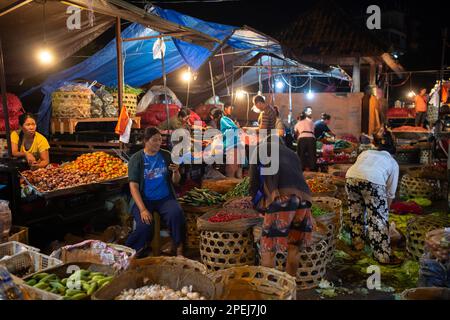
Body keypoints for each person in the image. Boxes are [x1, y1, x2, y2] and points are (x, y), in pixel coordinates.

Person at [249, 135, 314, 277]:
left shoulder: (261, 149)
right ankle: (290, 286)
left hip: (282, 198)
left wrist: (258, 206)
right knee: (294, 246)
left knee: (268, 248)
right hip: (304, 198)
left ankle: (270, 290)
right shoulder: (292, 154)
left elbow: (254, 182)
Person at [125, 127, 186, 257]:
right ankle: (128, 252)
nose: (158, 143)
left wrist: (176, 172)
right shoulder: (136, 159)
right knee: (144, 226)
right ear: (145, 141)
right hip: (144, 200)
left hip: (164, 198)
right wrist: (142, 209)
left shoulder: (166, 155)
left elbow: (176, 182)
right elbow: (134, 187)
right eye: (154, 140)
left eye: (160, 140)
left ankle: (178, 247)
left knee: (176, 213)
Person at [345, 126, 401, 264]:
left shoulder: (365, 153)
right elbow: (390, 193)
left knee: (356, 213)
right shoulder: (393, 163)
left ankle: (357, 245)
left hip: (350, 178)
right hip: (373, 181)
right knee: (378, 220)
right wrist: (384, 211)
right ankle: (383, 256)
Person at [215, 107, 243, 179]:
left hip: (233, 146)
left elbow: (232, 129)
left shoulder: (223, 119)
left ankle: (233, 188)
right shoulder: (226, 120)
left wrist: (221, 136)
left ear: (217, 116)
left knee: (230, 173)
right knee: (237, 173)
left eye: (214, 119)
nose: (214, 121)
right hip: (235, 145)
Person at [294, 107, 316, 171]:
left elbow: (296, 132)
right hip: (311, 138)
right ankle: (312, 169)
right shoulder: (311, 121)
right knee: (312, 155)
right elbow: (314, 131)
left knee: (301, 155)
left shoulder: (298, 123)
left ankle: (301, 169)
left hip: (302, 138)